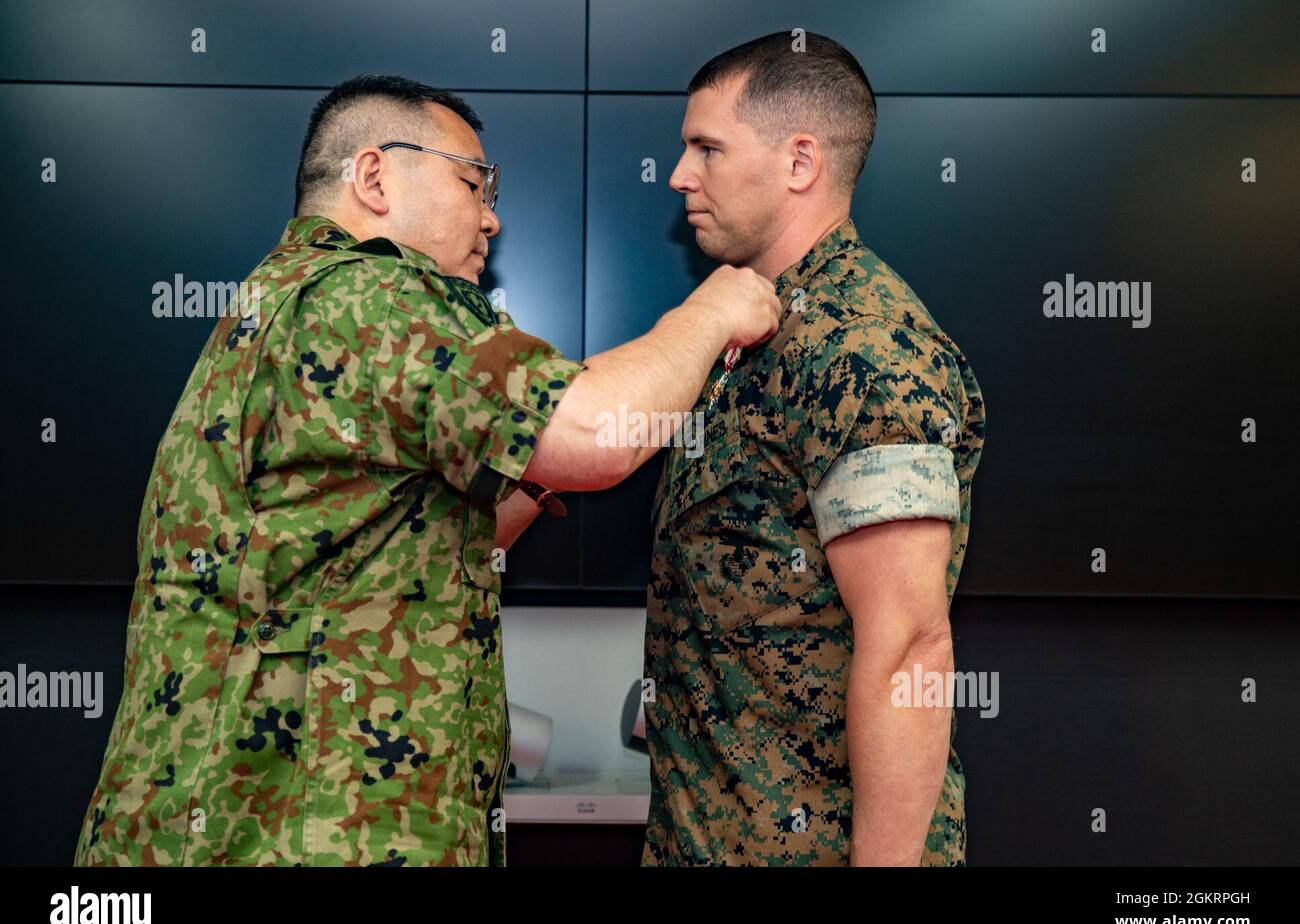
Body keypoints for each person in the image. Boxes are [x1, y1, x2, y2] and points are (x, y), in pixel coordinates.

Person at [73, 74, 778, 867]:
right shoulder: (366, 293)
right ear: (373, 177)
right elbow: (595, 434)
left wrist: (532, 473)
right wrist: (712, 311)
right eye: (472, 182)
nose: (490, 216)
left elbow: (408, 539)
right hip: (297, 835)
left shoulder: (284, 299)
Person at [642, 33, 987, 866]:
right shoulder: (751, 328)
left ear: (800, 162)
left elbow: (910, 644)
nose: (681, 175)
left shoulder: (863, 350)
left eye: (707, 148)